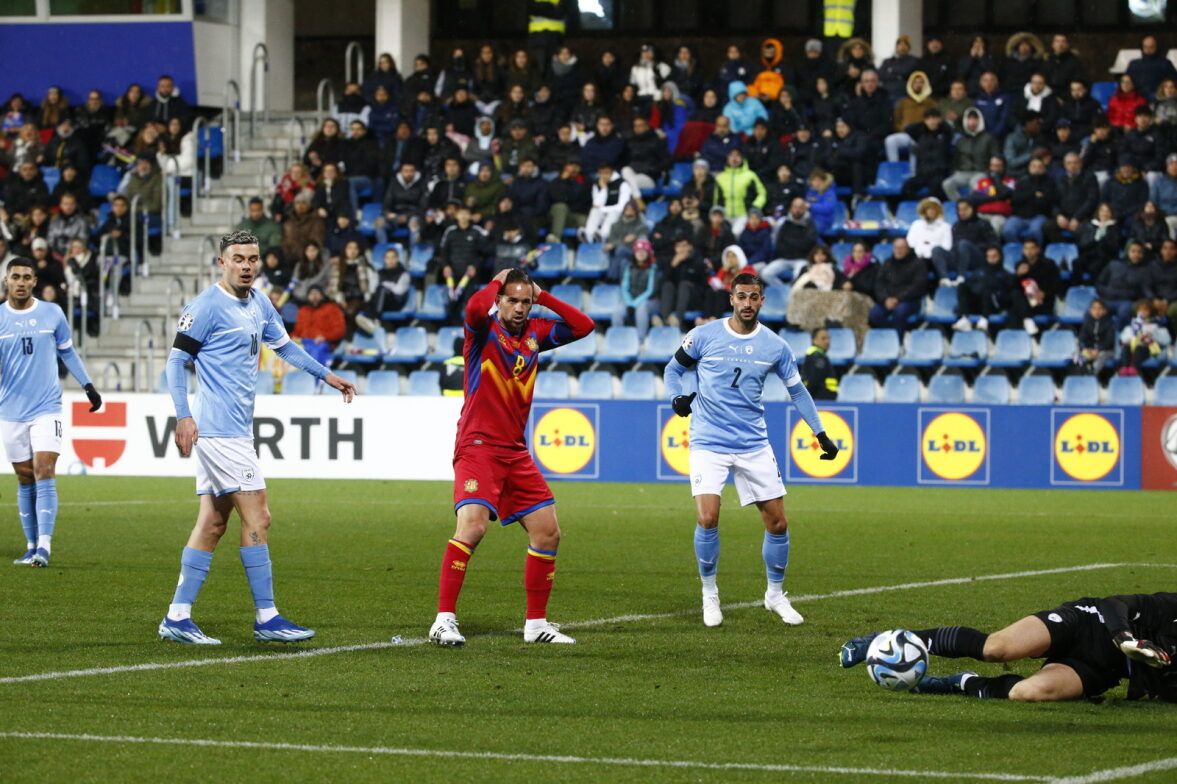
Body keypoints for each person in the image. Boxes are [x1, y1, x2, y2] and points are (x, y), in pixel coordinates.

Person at [159, 231, 356, 646]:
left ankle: (177, 616)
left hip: (234, 430)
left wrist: (328, 376)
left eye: (253, 258)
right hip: (219, 431)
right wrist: (183, 416)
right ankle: (267, 616)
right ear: (222, 263)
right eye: (238, 258)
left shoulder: (259, 302)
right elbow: (176, 362)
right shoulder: (207, 306)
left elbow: (286, 348)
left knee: (213, 523)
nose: (247, 265)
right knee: (259, 516)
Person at [429, 268, 594, 647]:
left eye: (525, 301)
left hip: (515, 451)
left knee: (548, 532)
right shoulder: (481, 331)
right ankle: (443, 619)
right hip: (478, 446)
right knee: (472, 526)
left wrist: (544, 295)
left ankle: (536, 624)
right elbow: (473, 307)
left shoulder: (536, 334)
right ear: (499, 301)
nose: (519, 308)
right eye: (512, 300)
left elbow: (584, 326)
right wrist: (495, 281)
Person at [663, 273, 837, 628]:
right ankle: (709, 594)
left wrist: (820, 432)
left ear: (761, 301)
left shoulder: (775, 346)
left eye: (753, 297)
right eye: (741, 296)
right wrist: (676, 398)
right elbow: (673, 369)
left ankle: (774, 595)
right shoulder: (703, 336)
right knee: (708, 517)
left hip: (753, 443)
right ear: (731, 299)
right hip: (709, 440)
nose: (747, 303)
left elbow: (798, 392)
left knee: (778, 522)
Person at [840, 591, 1177, 703]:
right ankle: (881, 641)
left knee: (1028, 693)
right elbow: (1112, 604)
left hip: (1104, 668)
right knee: (997, 648)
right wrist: (1125, 639)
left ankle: (961, 682)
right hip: (1088, 624)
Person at [2, 257, 102, 567]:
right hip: (9, 411)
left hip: (47, 407)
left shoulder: (52, 313)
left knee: (44, 469)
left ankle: (44, 546)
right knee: (24, 477)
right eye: (15, 276)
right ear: (6, 280)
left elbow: (68, 351)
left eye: (26, 277)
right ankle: (31, 546)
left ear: (34, 281)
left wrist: (87, 385)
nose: (20, 281)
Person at [868, 238, 928, 334]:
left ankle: (898, 342)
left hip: (909, 300)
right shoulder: (888, 263)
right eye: (896, 248)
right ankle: (891, 336)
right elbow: (879, 283)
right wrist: (885, 299)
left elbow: (918, 286)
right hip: (888, 300)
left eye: (901, 248)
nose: (898, 250)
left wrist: (898, 299)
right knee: (874, 314)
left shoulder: (918, 263)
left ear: (907, 249)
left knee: (900, 311)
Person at [952, 245, 1012, 333]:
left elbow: (1006, 295)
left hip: (993, 305)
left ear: (1000, 257)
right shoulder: (979, 271)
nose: (991, 259)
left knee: (987, 288)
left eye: (994, 256)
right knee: (962, 286)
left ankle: (984, 319)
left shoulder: (1005, 274)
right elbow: (970, 285)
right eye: (989, 256)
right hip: (977, 304)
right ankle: (964, 318)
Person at [614, 239, 658, 339]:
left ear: (648, 253)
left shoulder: (653, 268)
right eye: (638, 251)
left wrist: (634, 304)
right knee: (617, 310)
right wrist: (629, 303)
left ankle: (640, 340)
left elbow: (650, 290)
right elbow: (624, 288)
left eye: (644, 251)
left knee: (641, 309)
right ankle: (618, 339)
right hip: (631, 300)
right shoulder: (629, 267)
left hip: (649, 301)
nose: (641, 253)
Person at [1076, 298, 1116, 376]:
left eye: (1100, 308)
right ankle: (1080, 374)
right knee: (1078, 355)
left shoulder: (1110, 324)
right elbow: (1082, 339)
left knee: (1102, 356)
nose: (1097, 311)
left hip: (1106, 351)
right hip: (1090, 350)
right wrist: (1086, 349)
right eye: (1094, 308)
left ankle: (1092, 374)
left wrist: (1098, 350)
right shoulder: (1087, 324)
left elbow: (1109, 341)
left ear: (1104, 311)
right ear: (1090, 311)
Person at [800, 327, 837, 400]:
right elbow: (814, 381)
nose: (827, 341)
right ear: (814, 340)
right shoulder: (817, 357)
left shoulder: (814, 355)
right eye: (823, 338)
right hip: (820, 399)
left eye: (828, 338)